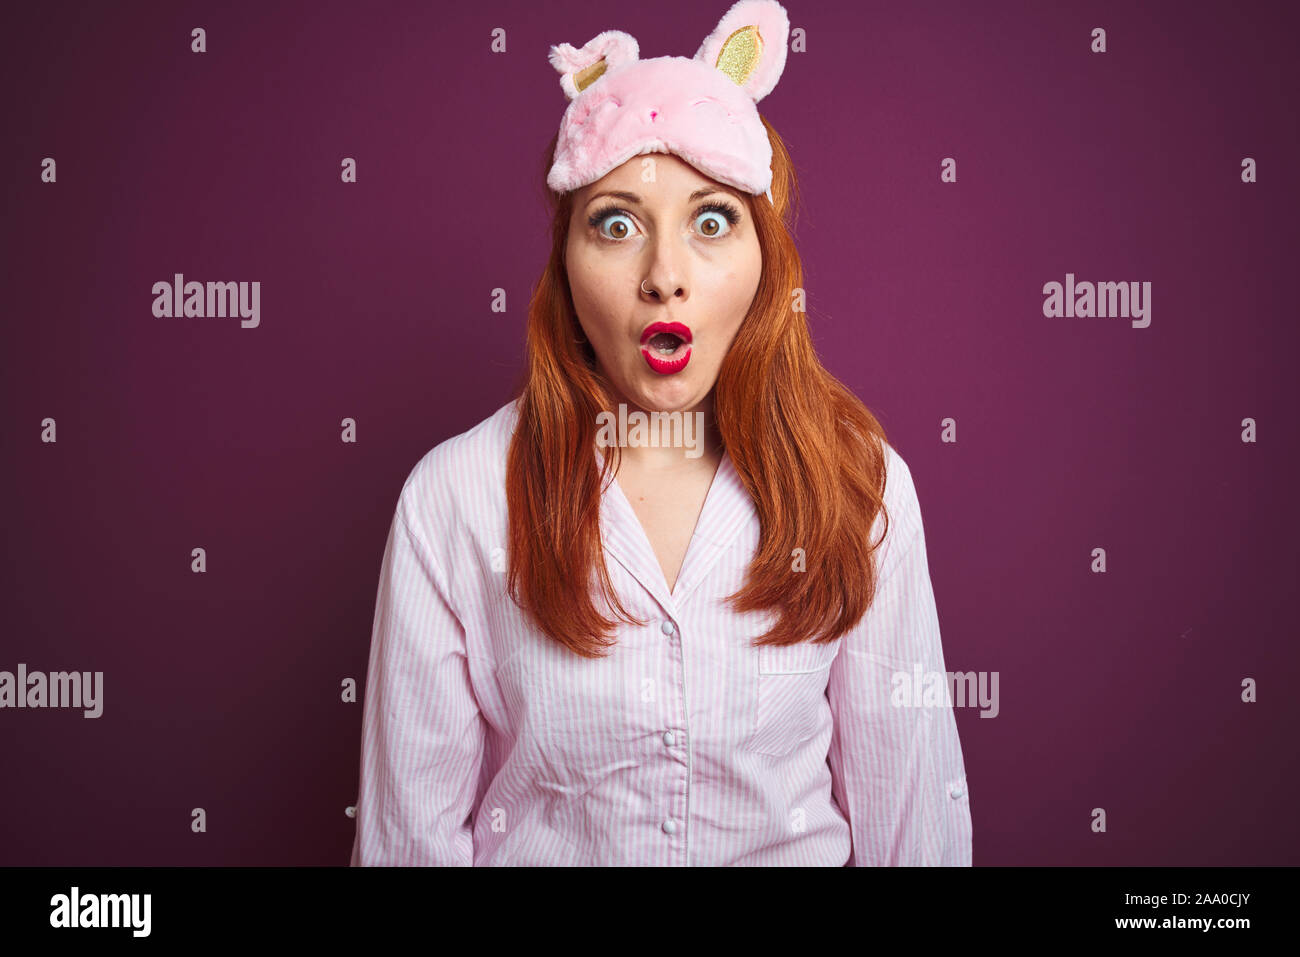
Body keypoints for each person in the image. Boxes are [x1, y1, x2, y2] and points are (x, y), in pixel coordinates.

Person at [350, 0, 972, 866]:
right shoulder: (451, 498)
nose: (665, 277)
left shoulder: (861, 483)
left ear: (766, 259)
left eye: (711, 220)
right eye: (616, 223)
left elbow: (916, 821)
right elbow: (407, 842)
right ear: (564, 264)